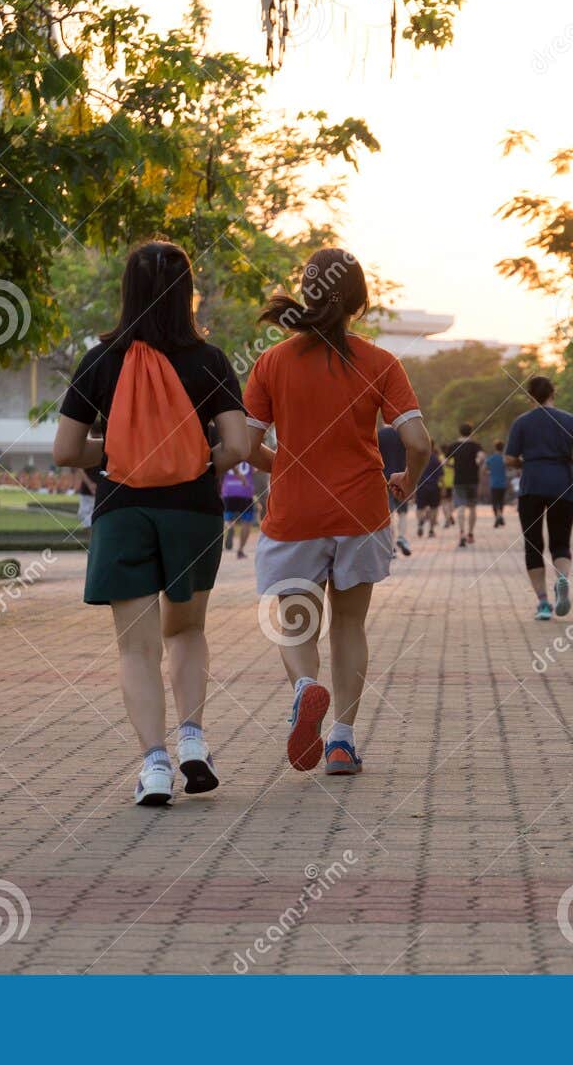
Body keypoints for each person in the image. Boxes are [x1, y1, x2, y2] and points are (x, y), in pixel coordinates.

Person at [55, 240, 250, 806]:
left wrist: (123, 452)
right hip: (192, 511)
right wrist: (188, 458)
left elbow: (66, 450)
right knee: (186, 630)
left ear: (128, 291)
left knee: (135, 648)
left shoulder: (99, 360)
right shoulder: (208, 360)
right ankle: (193, 739)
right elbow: (237, 444)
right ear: (187, 292)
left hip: (123, 511)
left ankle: (155, 765)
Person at [243, 248, 428, 777]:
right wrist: (408, 481)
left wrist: (284, 464)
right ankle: (342, 742)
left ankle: (305, 687)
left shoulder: (272, 362)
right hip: (361, 511)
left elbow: (246, 444)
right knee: (350, 625)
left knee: (296, 623)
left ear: (306, 294)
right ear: (360, 301)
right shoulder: (379, 362)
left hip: (296, 512)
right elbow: (418, 439)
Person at [505, 375, 573, 620]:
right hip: (562, 485)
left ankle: (543, 604)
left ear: (530, 396)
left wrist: (524, 462)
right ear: (553, 393)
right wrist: (570, 460)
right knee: (560, 542)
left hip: (532, 484)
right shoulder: (569, 420)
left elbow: (509, 459)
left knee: (533, 544)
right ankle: (562, 579)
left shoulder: (521, 423)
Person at [443, 422, 484, 548]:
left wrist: (453, 466)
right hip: (473, 480)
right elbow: (481, 457)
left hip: (459, 480)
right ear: (471, 432)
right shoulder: (476, 445)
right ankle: (470, 534)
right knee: (472, 507)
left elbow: (445, 461)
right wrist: (476, 464)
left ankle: (461, 533)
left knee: (460, 506)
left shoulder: (454, 445)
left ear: (459, 432)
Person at [377, 422, 414, 557]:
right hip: (402, 477)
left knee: (388, 514)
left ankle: (391, 547)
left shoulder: (378, 435)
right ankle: (402, 537)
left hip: (383, 478)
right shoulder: (403, 434)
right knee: (403, 512)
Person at [221, 459, 257, 559]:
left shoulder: (229, 450)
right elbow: (255, 469)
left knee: (227, 518)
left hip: (228, 490)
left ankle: (230, 527)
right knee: (247, 522)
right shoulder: (250, 452)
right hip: (245, 490)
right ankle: (240, 550)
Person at [414, 444, 443, 537]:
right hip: (434, 487)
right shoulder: (436, 459)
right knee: (434, 508)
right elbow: (441, 476)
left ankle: (420, 522)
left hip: (421, 487)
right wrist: (443, 488)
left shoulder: (419, 458)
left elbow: (413, 474)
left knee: (420, 508)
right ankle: (431, 530)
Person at [485, 440, 509, 528]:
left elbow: (485, 469)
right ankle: (500, 516)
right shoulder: (504, 458)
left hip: (493, 483)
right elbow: (508, 468)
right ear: (503, 448)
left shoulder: (490, 458)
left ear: (495, 448)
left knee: (494, 502)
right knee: (501, 501)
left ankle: (497, 517)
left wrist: (490, 472)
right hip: (503, 483)